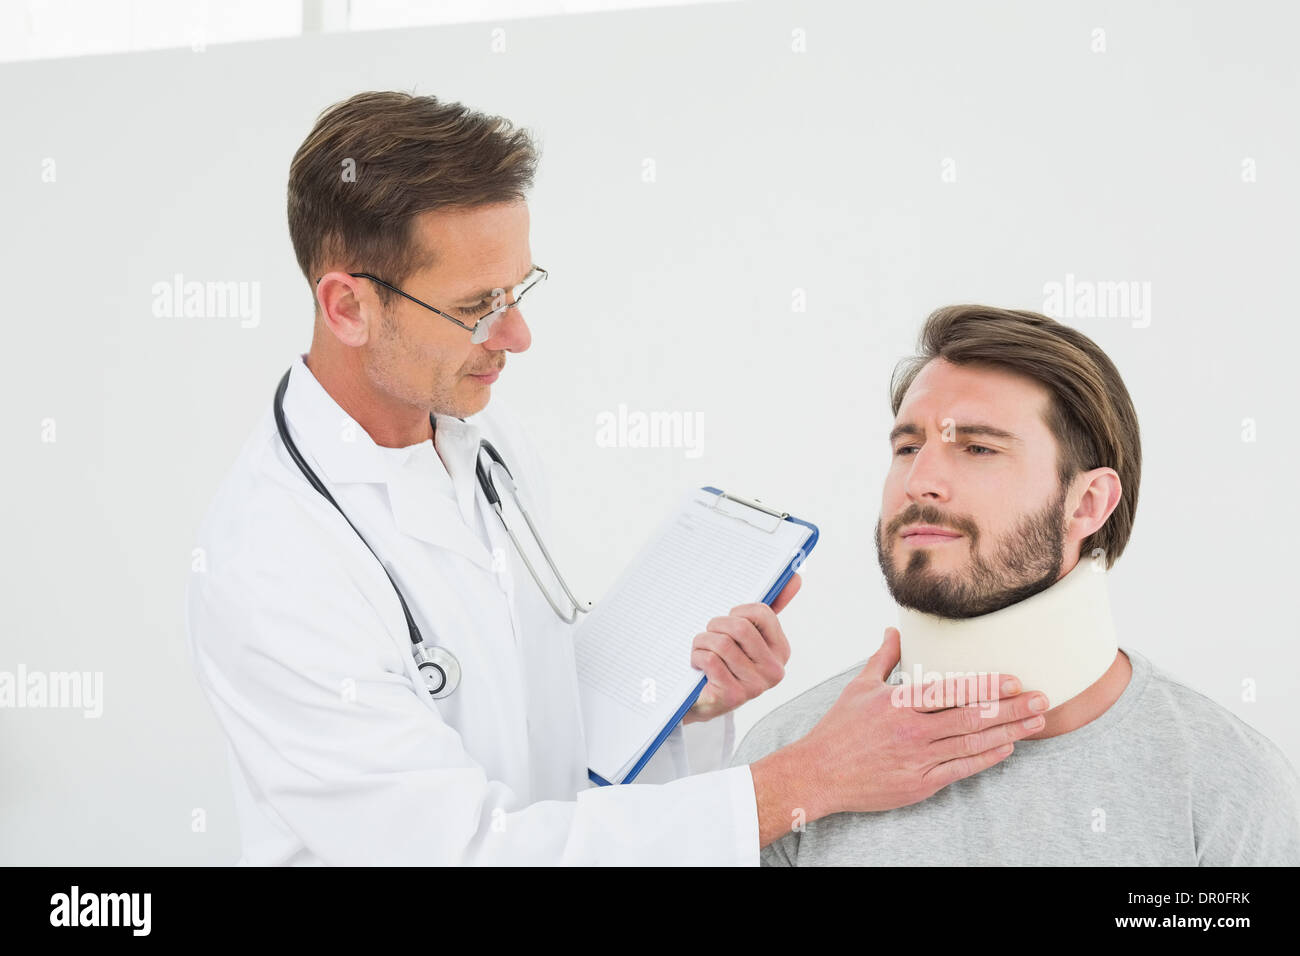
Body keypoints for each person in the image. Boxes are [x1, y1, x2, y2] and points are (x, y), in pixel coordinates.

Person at [184, 93, 1047, 866]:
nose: (517, 335)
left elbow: (550, 753)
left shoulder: (482, 448)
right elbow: (466, 853)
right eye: (478, 305)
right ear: (347, 308)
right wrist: (801, 783)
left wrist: (676, 710)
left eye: (520, 288)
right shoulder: (272, 564)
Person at [732, 304, 1300, 865]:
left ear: (1087, 504)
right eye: (908, 447)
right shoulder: (789, 768)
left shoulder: (1226, 785)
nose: (919, 480)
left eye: (978, 448)